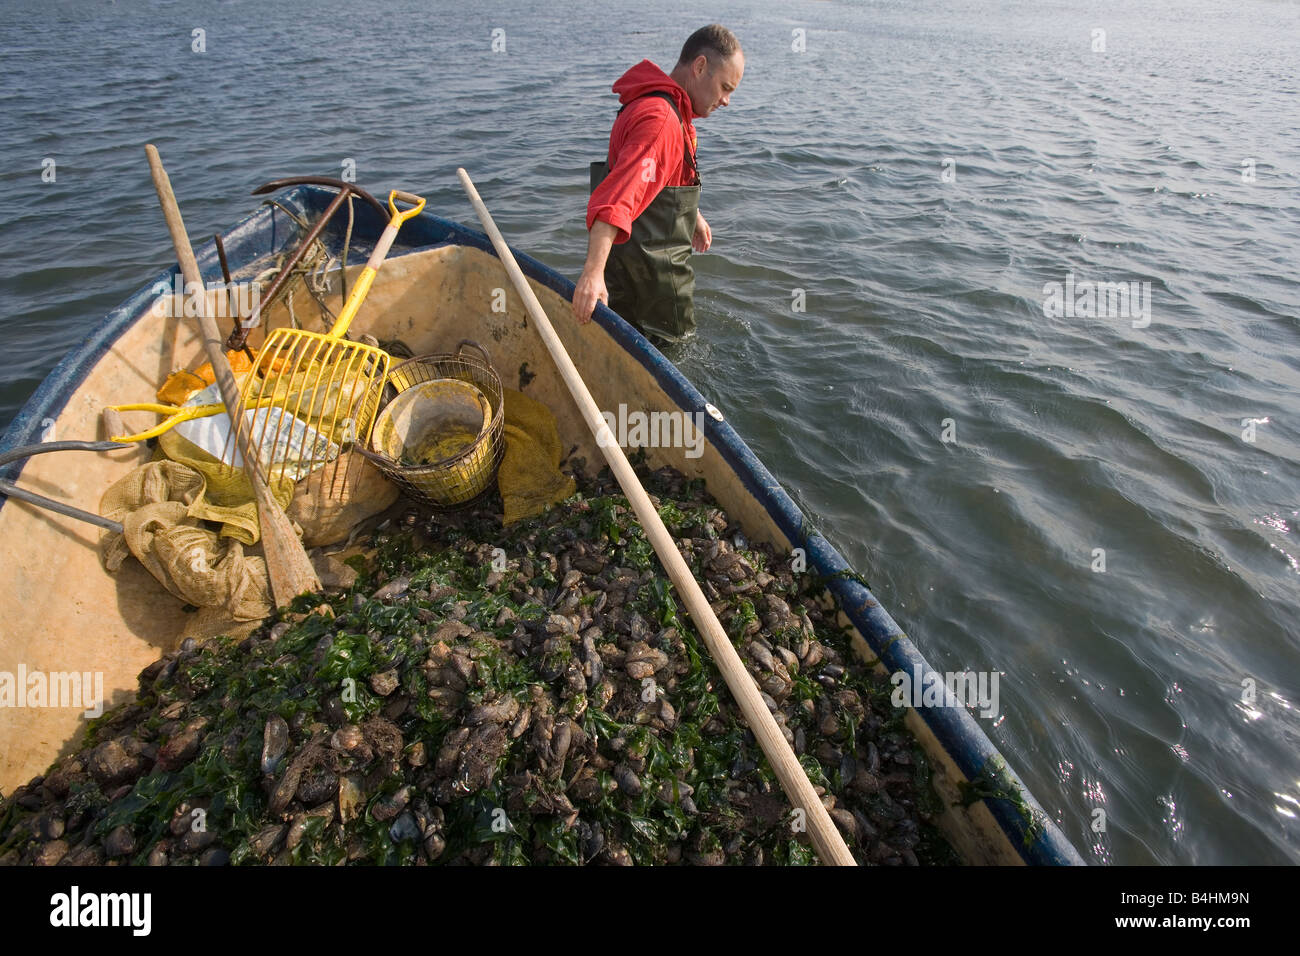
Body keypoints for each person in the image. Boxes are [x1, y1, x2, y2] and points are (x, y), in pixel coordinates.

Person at [573, 24, 744, 342]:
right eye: (725, 87)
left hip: (630, 277)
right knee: (671, 361)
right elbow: (616, 200)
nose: (727, 101)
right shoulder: (662, 121)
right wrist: (592, 275)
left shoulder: (661, 105)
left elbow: (649, 179)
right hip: (653, 298)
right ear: (700, 66)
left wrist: (693, 215)